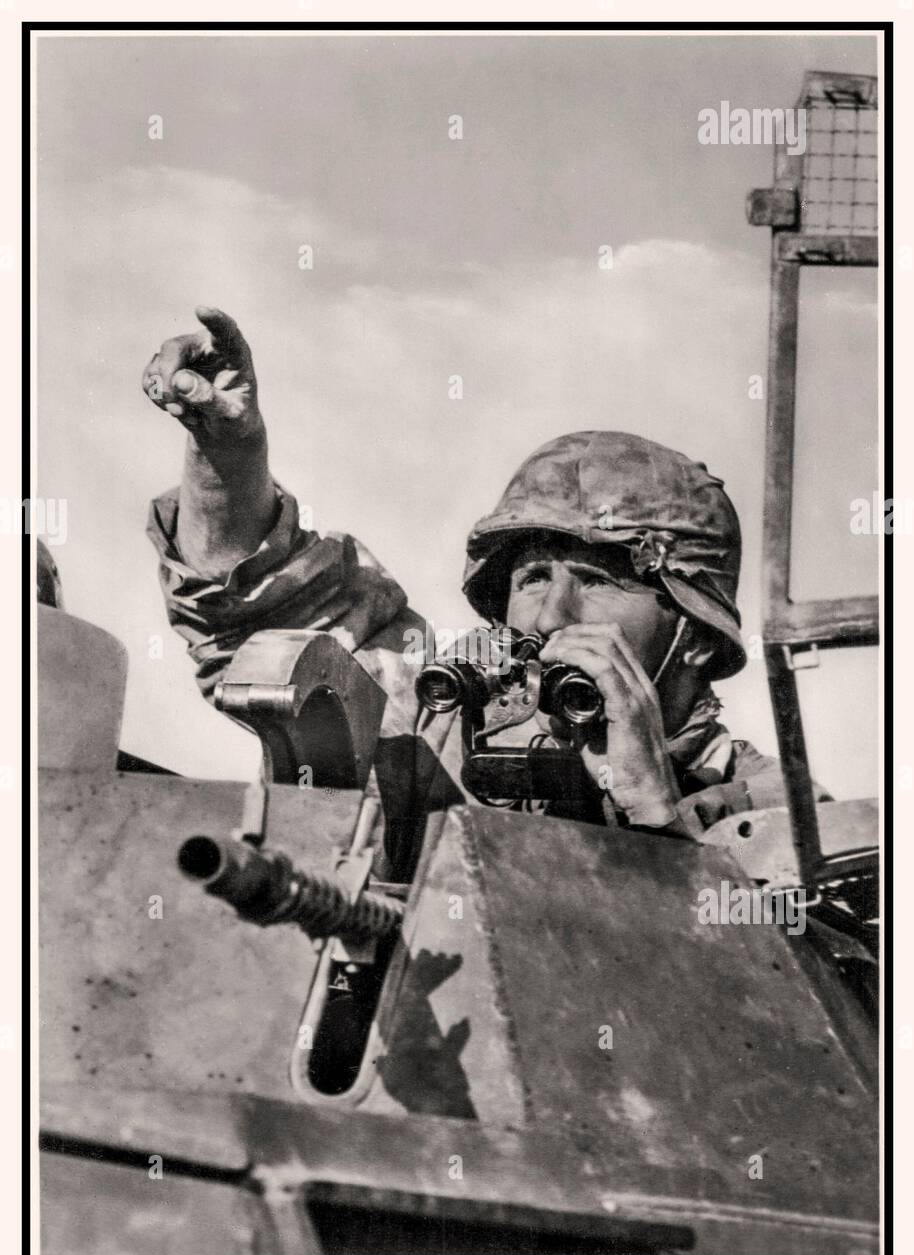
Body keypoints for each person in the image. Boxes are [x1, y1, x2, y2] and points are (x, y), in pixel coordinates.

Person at [142, 307, 808, 883]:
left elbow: (765, 1016)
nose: (549, 618)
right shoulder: (437, 723)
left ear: (692, 635)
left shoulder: (783, 817)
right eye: (533, 578)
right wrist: (226, 456)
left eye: (600, 583)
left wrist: (654, 811)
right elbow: (261, 607)